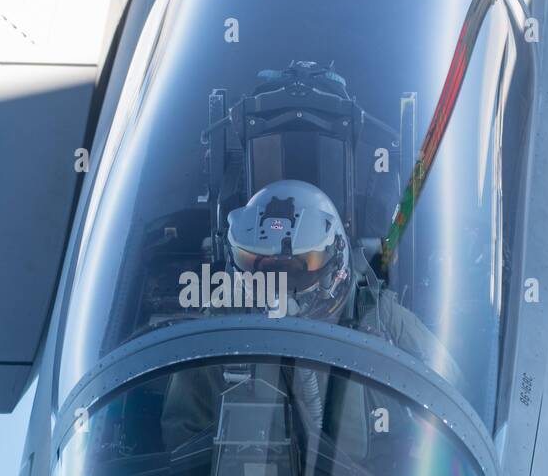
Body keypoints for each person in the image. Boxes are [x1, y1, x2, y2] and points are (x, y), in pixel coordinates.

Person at [161, 180, 464, 455]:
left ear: (334, 264)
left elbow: (452, 401)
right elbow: (182, 439)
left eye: (297, 266)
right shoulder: (224, 326)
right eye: (260, 264)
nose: (279, 283)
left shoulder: (378, 318)